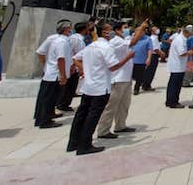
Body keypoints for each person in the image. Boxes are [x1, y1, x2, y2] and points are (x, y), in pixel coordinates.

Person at [67, 22, 135, 155]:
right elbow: (113, 66)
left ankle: (73, 143)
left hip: (88, 87)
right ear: (104, 32)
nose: (113, 32)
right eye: (110, 30)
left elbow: (75, 58)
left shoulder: (91, 46)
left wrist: (84, 71)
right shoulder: (106, 47)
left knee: (81, 115)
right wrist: (127, 58)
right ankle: (85, 145)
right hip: (100, 88)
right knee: (92, 117)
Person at [96, 20, 147, 140]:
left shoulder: (122, 40)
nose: (127, 30)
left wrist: (141, 29)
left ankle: (120, 125)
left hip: (126, 77)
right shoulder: (116, 41)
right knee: (112, 106)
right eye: (124, 27)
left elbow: (134, 39)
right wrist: (141, 27)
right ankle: (103, 130)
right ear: (117, 30)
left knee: (124, 104)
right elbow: (134, 42)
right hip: (117, 78)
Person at [35, 21, 72, 128]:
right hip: (55, 74)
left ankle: (45, 116)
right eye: (69, 28)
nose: (70, 30)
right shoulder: (62, 42)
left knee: (49, 97)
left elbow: (41, 52)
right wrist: (63, 75)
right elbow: (61, 59)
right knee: (49, 98)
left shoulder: (56, 40)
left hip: (51, 73)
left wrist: (46, 65)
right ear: (66, 30)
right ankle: (45, 121)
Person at [57, 22, 88, 112]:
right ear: (84, 29)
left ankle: (64, 103)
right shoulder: (76, 39)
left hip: (73, 64)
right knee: (69, 87)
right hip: (73, 65)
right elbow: (74, 54)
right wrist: (74, 66)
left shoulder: (77, 38)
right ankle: (63, 104)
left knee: (71, 86)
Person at [165, 26, 189, 108]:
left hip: (177, 66)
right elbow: (181, 53)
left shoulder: (180, 38)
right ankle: (173, 102)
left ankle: (169, 101)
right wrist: (191, 52)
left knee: (172, 84)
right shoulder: (180, 40)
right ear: (186, 32)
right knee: (176, 85)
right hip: (178, 66)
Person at [131, 26, 153, 96]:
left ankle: (136, 89)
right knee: (131, 76)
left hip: (141, 60)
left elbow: (150, 49)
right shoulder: (132, 38)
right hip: (131, 60)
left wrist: (149, 58)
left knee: (139, 76)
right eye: (137, 31)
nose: (139, 32)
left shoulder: (148, 39)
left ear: (144, 32)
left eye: (141, 31)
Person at [142, 26, 162, 91]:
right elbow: (155, 49)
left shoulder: (155, 38)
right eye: (156, 29)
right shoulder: (153, 38)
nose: (158, 30)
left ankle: (146, 84)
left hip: (154, 55)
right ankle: (146, 85)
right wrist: (161, 54)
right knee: (150, 71)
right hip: (153, 55)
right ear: (152, 31)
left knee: (150, 71)